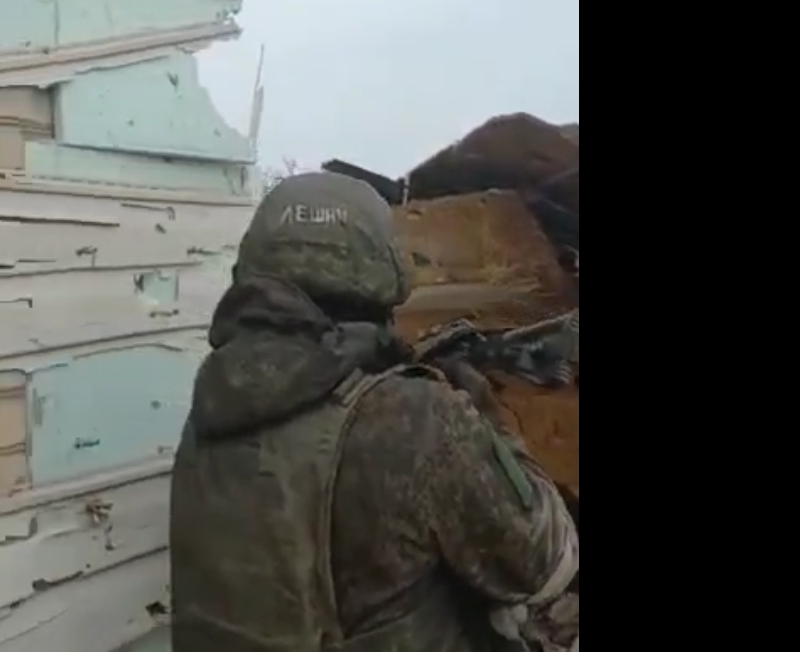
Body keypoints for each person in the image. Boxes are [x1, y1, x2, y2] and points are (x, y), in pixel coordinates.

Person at [169, 172, 579, 652]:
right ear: (378, 273)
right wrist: (488, 416)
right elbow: (547, 563)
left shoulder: (212, 409)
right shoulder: (417, 416)